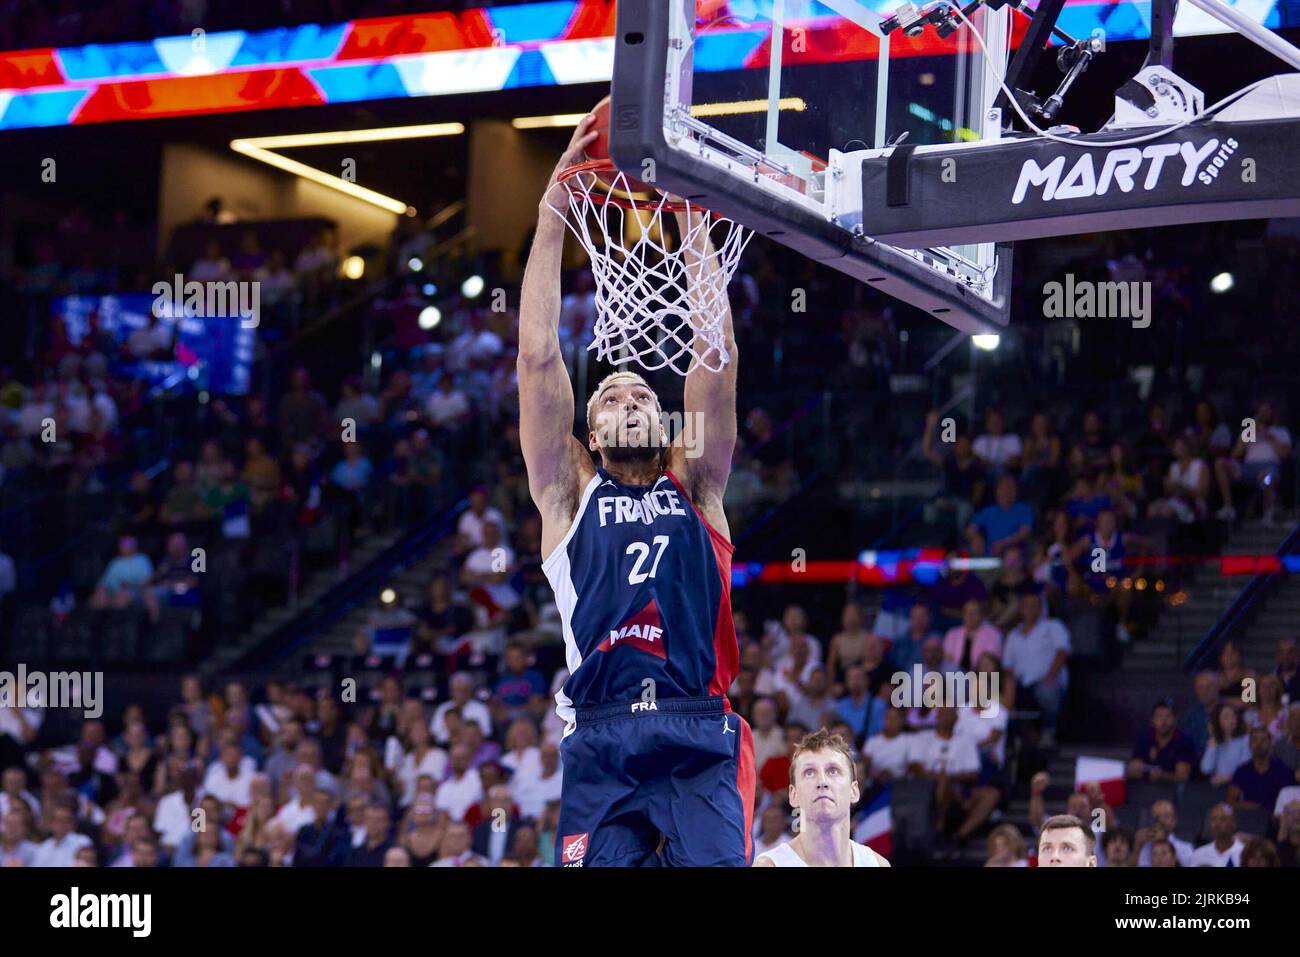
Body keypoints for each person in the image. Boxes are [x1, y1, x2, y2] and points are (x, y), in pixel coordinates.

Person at [518, 101, 753, 867]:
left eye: (643, 396)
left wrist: (691, 222)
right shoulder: (567, 492)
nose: (629, 398)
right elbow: (537, 361)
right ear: (589, 433)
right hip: (602, 733)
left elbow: (713, 364)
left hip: (694, 725)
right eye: (612, 396)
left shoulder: (700, 484)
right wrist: (554, 214)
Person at [753, 729, 890, 866]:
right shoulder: (771, 864)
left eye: (833, 771)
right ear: (794, 795)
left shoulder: (877, 863)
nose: (822, 782)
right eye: (809, 773)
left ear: (854, 791)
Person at [1002, 588, 1071, 746]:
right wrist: (1009, 684)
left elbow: (1063, 651)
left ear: (1040, 608)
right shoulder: (1013, 634)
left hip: (1047, 680)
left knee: (1046, 691)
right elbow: (1007, 666)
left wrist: (1051, 675)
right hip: (1021, 684)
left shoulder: (1053, 626)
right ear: (1021, 609)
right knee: (1004, 694)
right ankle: (1016, 737)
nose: (1030, 609)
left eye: (1034, 605)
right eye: (1026, 605)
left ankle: (1048, 731)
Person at [1228, 727, 1295, 811]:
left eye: (1263, 740)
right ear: (1249, 745)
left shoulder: (1284, 771)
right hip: (1249, 817)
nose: (1258, 744)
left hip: (1275, 819)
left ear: (1271, 744)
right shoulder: (1241, 771)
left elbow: (1291, 802)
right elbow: (1231, 802)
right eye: (1255, 740)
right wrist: (1248, 806)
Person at [1126, 701, 1195, 783]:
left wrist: (1162, 776)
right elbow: (1132, 770)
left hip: (1176, 793)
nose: (1163, 721)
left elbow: (1183, 777)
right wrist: (1145, 773)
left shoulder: (1184, 741)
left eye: (1168, 716)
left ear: (1175, 720)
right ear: (1152, 720)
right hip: (1145, 791)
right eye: (1159, 716)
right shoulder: (1145, 739)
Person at [1201, 703, 1251, 786]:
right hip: (1218, 789)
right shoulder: (1214, 742)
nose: (1231, 720)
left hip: (1239, 787)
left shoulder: (1245, 740)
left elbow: (1245, 769)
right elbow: (1206, 769)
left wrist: (1227, 778)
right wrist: (1213, 739)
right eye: (1226, 717)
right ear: (1218, 721)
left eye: (1234, 716)